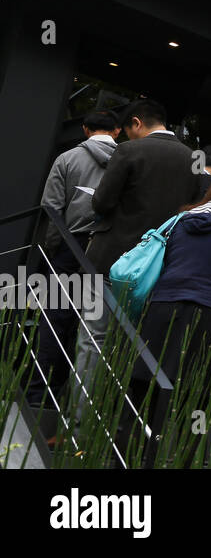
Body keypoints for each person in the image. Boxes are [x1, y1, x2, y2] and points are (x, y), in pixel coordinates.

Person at [74, 99, 203, 425]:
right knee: (133, 346)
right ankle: (113, 424)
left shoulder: (130, 152)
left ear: (135, 123)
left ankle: (79, 422)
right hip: (157, 268)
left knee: (93, 341)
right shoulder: (192, 159)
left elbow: (102, 202)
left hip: (110, 260)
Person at [127, 167, 211, 459]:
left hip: (161, 307)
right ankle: (183, 458)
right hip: (208, 315)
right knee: (196, 394)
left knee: (143, 384)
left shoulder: (182, 219)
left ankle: (128, 456)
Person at [24, 111, 120, 409]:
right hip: (108, 250)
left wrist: (55, 248)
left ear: (85, 128)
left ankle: (40, 396)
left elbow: (51, 207)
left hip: (69, 246)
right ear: (118, 131)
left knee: (55, 320)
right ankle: (79, 404)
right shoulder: (127, 162)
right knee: (97, 328)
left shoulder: (67, 158)